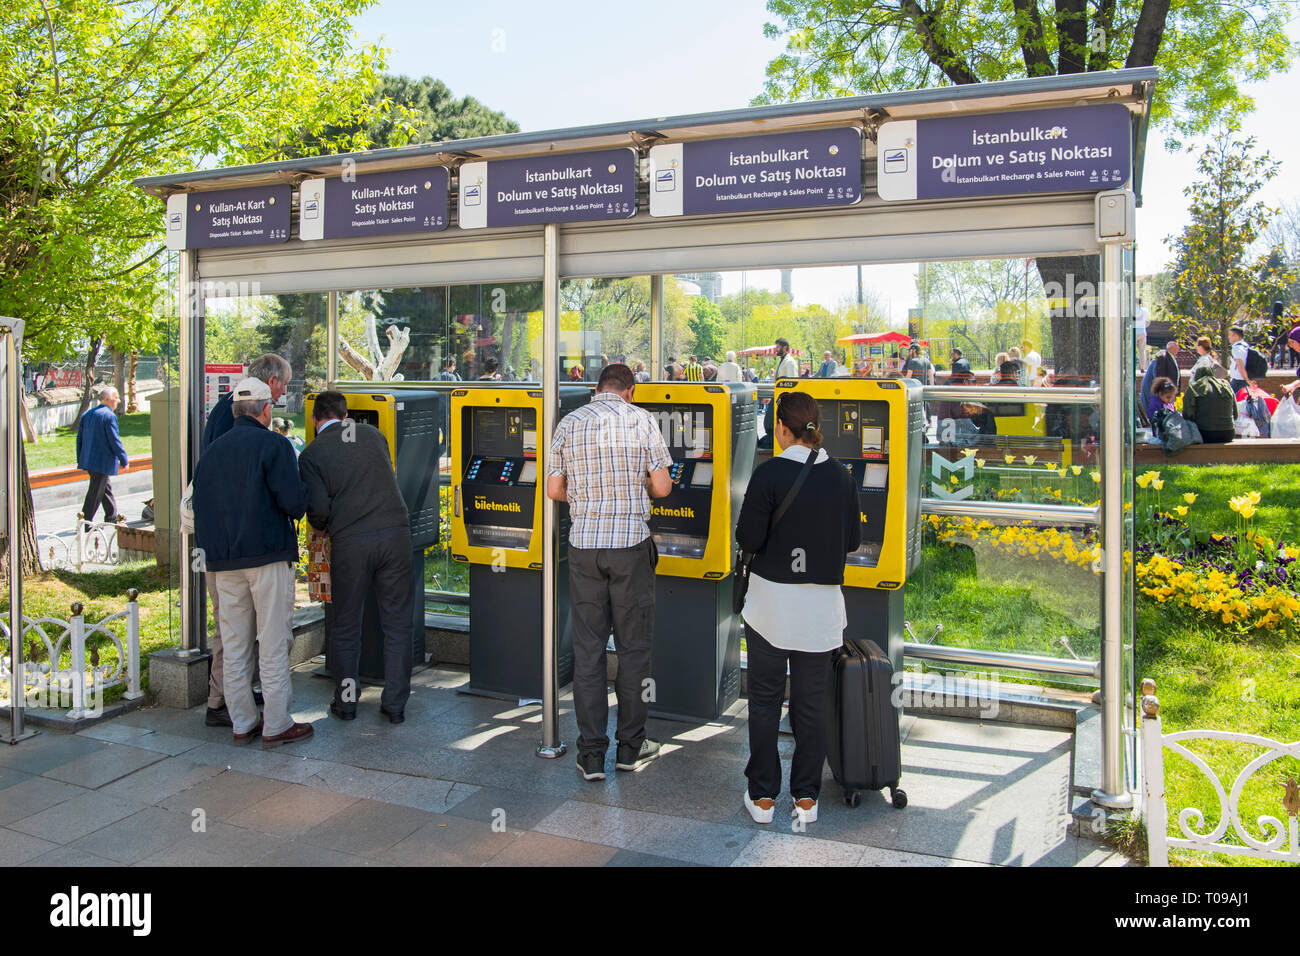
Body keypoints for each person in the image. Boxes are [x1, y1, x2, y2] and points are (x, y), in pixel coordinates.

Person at [735, 391, 860, 826]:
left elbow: (748, 539)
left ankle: (763, 797)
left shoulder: (768, 474)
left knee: (765, 702)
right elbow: (853, 542)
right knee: (811, 706)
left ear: (783, 430)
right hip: (821, 611)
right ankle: (806, 798)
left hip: (770, 607)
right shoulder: (843, 477)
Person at [547, 364, 672, 781]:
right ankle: (630, 749)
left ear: (594, 388)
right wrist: (637, 488)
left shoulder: (569, 422)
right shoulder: (642, 420)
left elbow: (553, 489)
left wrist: (585, 498)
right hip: (630, 549)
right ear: (630, 392)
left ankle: (591, 755)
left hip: (584, 547)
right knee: (634, 651)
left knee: (588, 651)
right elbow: (663, 486)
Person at [191, 378, 313, 750]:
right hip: (268, 557)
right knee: (273, 642)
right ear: (265, 409)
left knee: (234, 643)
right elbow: (294, 503)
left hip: (225, 562)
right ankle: (276, 724)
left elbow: (200, 508)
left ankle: (242, 723)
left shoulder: (211, 452)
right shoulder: (274, 445)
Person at [298, 390, 414, 724]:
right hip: (395, 535)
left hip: (351, 543)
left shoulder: (312, 454)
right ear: (345, 415)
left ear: (314, 418)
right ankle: (394, 705)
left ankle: (347, 702)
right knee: (397, 623)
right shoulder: (373, 435)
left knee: (346, 625)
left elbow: (318, 510)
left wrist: (327, 524)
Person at [198, 353, 290, 728]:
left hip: (223, 550)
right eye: (283, 385)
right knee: (262, 638)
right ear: (266, 396)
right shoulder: (265, 441)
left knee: (233, 635)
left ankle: (240, 718)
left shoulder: (222, 422)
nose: (285, 393)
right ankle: (244, 712)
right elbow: (285, 497)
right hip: (257, 548)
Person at [75, 387, 128, 529]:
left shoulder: (87, 414)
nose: (118, 400)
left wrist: (80, 458)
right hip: (102, 461)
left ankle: (111, 517)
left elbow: (79, 438)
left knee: (105, 488)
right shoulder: (109, 416)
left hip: (89, 460)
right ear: (106, 399)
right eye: (115, 397)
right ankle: (85, 522)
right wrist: (123, 459)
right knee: (95, 491)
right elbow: (114, 440)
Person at [1182, 365, 1236, 444]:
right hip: (1228, 434)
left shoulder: (1194, 387)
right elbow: (1236, 414)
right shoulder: (1226, 385)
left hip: (1205, 434)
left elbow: (1187, 415)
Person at [1228, 326, 1250, 396]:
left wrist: (1247, 380)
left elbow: (1240, 366)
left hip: (1238, 381)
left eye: (1230, 335)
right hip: (1243, 379)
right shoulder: (1246, 346)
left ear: (1236, 336)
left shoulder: (1236, 349)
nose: (1229, 337)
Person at [1134, 298, 1150, 371]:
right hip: (1142, 331)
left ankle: (1132, 367)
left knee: (1131, 350)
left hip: (1133, 331)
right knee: (1142, 350)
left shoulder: (1132, 310)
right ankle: (1142, 368)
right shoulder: (1145, 310)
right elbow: (1147, 320)